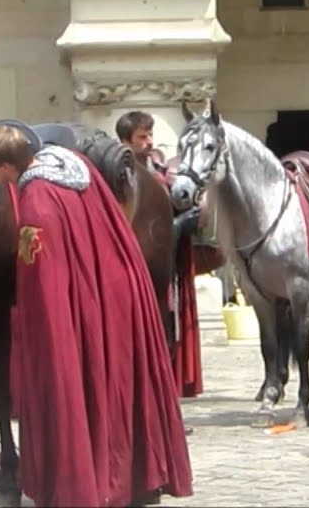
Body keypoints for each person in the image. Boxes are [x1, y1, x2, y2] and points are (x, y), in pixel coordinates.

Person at [0, 125, 193, 507]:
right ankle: (133, 479)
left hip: (91, 298)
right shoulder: (73, 165)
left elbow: (42, 284)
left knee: (83, 385)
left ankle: (85, 483)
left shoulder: (36, 201)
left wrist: (42, 339)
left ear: (7, 167)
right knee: (118, 387)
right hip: (121, 288)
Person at [117, 109, 205, 399]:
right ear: (125, 141)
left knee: (169, 325)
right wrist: (176, 227)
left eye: (150, 135)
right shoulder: (121, 179)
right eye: (142, 137)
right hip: (141, 267)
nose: (149, 142)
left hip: (169, 262)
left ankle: (166, 389)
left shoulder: (158, 170)